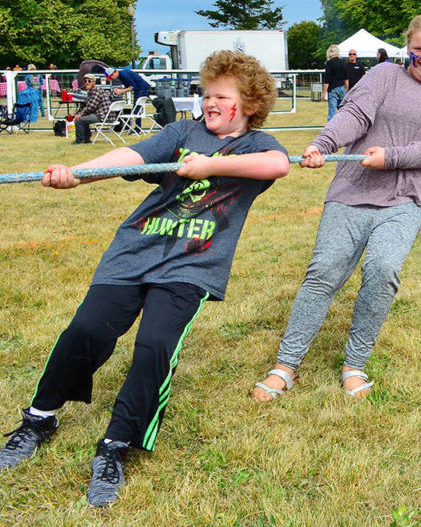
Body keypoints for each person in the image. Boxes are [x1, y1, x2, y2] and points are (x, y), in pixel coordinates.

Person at [0, 51, 290, 507]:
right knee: (87, 330)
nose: (209, 102)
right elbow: (130, 155)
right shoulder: (182, 132)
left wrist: (208, 167)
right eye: (206, 93)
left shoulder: (256, 145)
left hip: (191, 266)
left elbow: (278, 166)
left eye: (221, 96)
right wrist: (77, 175)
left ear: (249, 104)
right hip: (135, 250)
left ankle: (117, 444)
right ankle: (39, 418)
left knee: (155, 346)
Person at [252, 11, 421, 402]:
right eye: (418, 48)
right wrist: (322, 144)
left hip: (407, 196)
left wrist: (391, 157)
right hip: (353, 189)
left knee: (383, 269)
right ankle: (285, 366)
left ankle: (354, 365)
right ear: (408, 46)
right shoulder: (384, 76)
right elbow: (353, 115)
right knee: (323, 273)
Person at [71, 74, 115, 143]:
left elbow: (91, 107)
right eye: (85, 81)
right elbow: (86, 107)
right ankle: (86, 139)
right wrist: (77, 113)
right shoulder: (92, 91)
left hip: (103, 116)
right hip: (102, 115)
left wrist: (80, 115)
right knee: (83, 118)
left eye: (89, 81)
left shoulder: (95, 91)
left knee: (79, 120)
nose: (87, 83)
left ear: (94, 82)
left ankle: (80, 141)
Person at [323, 44, 348, 121]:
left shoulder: (329, 63)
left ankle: (331, 130)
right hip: (342, 88)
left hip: (333, 89)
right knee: (343, 110)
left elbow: (327, 79)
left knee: (332, 111)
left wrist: (324, 93)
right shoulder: (343, 63)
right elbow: (346, 79)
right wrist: (346, 88)